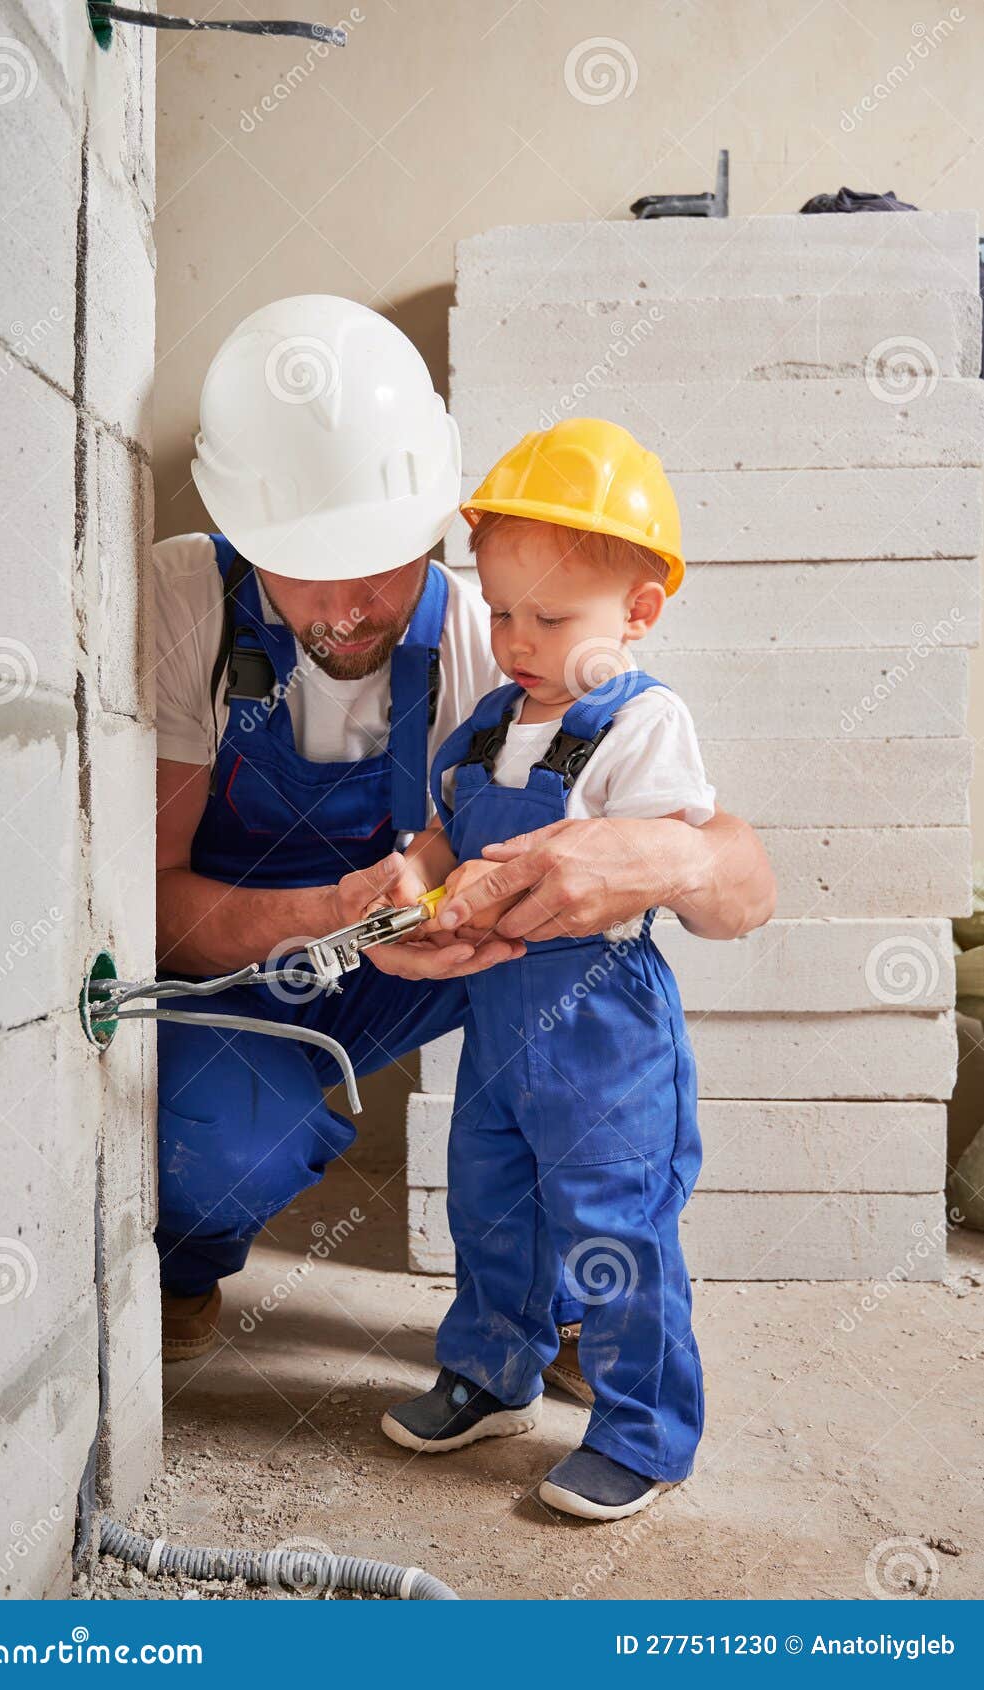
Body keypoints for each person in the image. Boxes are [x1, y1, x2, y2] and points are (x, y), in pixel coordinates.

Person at [152, 296, 777, 1369]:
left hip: (431, 958)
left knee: (582, 1022)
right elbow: (149, 906)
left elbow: (745, 888)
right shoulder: (185, 603)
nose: (348, 607)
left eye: (385, 559)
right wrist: (339, 912)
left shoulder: (505, 646)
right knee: (207, 1156)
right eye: (309, 566)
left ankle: (590, 1287)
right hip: (242, 969)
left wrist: (661, 859)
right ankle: (183, 1260)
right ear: (246, 533)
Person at [378, 420, 727, 1522]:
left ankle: (642, 1432)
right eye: (500, 610)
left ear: (638, 611)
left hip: (601, 1035)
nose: (516, 638)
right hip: (495, 1025)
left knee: (611, 1223)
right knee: (489, 1202)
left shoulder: (641, 724)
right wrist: (410, 877)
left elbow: (663, 855)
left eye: (551, 616)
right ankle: (493, 1371)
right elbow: (442, 837)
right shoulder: (484, 729)